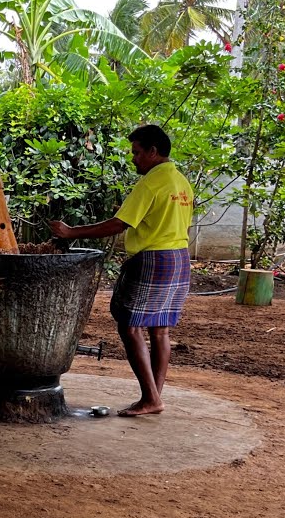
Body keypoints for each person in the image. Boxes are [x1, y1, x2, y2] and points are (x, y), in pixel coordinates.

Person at [49, 125, 193, 417]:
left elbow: (118, 224)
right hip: (179, 257)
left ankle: (151, 398)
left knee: (129, 325)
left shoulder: (151, 183)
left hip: (153, 258)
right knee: (159, 329)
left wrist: (69, 232)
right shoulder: (181, 182)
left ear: (153, 152)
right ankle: (154, 396)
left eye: (137, 153)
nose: (133, 159)